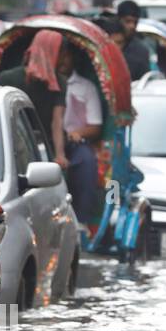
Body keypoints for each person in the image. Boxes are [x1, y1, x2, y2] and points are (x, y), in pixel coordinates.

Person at [0, 29, 68, 168]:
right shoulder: (8, 78)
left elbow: (57, 120)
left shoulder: (60, 82)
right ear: (53, 54)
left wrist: (59, 154)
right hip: (10, 145)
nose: (64, 60)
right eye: (62, 55)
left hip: (42, 149)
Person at [58, 43, 103, 224]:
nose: (62, 61)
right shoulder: (45, 83)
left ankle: (83, 220)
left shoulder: (86, 87)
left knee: (87, 162)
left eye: (66, 56)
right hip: (46, 140)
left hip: (74, 142)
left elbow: (95, 125)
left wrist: (77, 133)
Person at [114, 0, 151, 80]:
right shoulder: (106, 42)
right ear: (119, 20)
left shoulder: (141, 51)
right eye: (128, 21)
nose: (132, 26)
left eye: (135, 22)